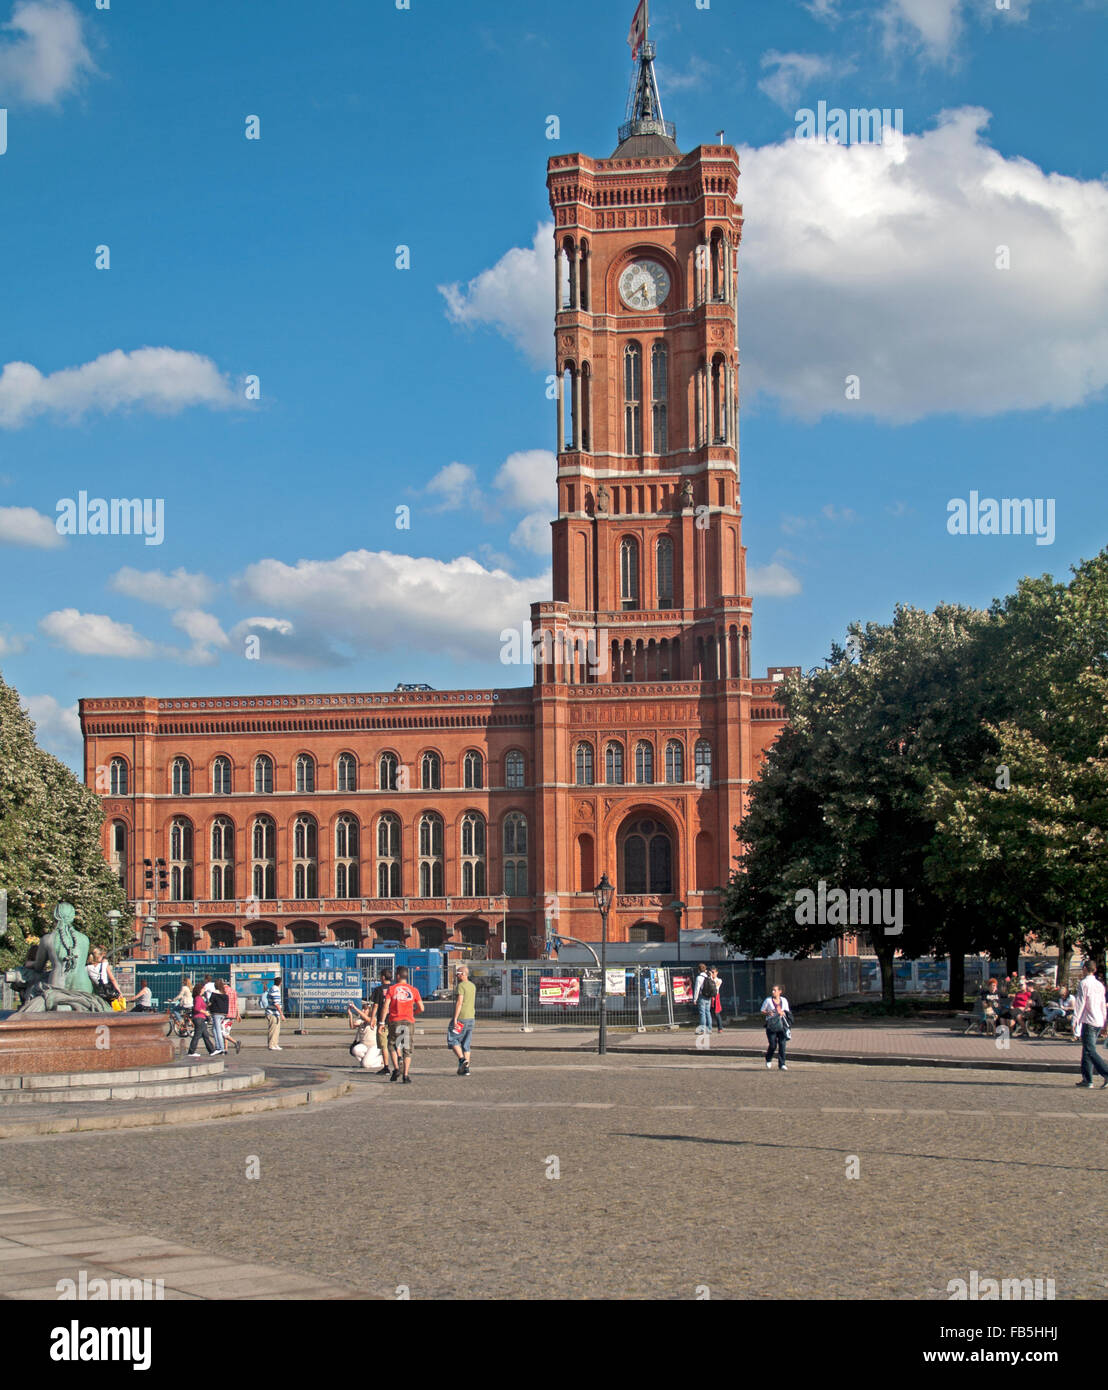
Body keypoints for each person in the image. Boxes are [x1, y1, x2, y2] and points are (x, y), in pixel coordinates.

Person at [382, 966, 424, 1083]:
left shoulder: (392, 989)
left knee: (392, 1044)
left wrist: (381, 1021)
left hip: (395, 1020)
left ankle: (396, 1067)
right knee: (407, 1048)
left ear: (398, 976)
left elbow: (386, 1006)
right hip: (408, 1021)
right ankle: (406, 1075)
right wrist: (413, 1013)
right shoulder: (414, 990)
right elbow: (421, 1007)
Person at [1072, 959, 1108, 1089]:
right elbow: (1102, 1004)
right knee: (1087, 1050)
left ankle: (1106, 1072)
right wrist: (1105, 1022)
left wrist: (1075, 1020)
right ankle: (1087, 1079)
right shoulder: (1100, 985)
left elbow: (1080, 1003)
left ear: (1086, 969)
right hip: (1098, 1020)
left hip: (1089, 1020)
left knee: (1089, 1049)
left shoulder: (1084, 983)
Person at [448, 964, 476, 1076]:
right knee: (466, 1044)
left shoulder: (461, 986)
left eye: (458, 974)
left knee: (452, 1039)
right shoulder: (472, 986)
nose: (456, 976)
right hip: (471, 1017)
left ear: (464, 974)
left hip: (461, 1018)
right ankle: (466, 1069)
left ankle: (461, 1059)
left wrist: (455, 1018)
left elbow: (460, 1002)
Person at [367, 969, 393, 1075]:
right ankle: (399, 1063)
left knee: (384, 1046)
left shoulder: (378, 990)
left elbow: (376, 1005)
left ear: (382, 977)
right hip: (394, 1019)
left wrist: (372, 1018)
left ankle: (386, 1067)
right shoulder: (394, 988)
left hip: (383, 1021)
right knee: (395, 1044)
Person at [761, 984, 792, 1071]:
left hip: (782, 1025)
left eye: (775, 990)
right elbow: (762, 1010)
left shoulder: (784, 1000)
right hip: (771, 1025)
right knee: (773, 1044)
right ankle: (768, 1058)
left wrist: (783, 1012)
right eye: (772, 990)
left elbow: (787, 1012)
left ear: (779, 992)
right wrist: (767, 1013)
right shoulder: (768, 1000)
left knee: (782, 1044)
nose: (773, 992)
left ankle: (782, 1064)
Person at [184, 982, 216, 1057]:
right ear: (200, 989)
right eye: (203, 988)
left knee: (205, 1035)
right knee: (197, 1035)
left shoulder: (200, 997)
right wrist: (205, 1012)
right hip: (199, 1018)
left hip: (200, 1018)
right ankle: (191, 1052)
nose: (204, 990)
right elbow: (197, 1008)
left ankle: (211, 1050)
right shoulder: (198, 998)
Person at [692, 963, 715, 1034]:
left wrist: (695, 999)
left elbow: (697, 989)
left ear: (699, 970)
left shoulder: (699, 978)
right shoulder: (709, 976)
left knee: (702, 1013)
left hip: (702, 996)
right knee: (708, 1012)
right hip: (709, 997)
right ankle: (709, 1029)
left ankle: (702, 1029)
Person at [262, 975, 284, 1051]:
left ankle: (275, 1044)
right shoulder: (275, 989)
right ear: (280, 983)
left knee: (276, 1029)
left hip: (275, 1012)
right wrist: (282, 1014)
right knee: (273, 1029)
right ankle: (271, 1045)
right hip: (272, 1012)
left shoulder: (273, 988)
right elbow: (276, 1003)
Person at [209, 979, 230, 1054]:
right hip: (223, 1013)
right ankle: (217, 1046)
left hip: (216, 1013)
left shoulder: (214, 994)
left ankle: (221, 1048)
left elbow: (210, 1003)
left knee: (217, 1030)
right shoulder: (225, 995)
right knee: (214, 1029)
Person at [222, 975, 241, 1054]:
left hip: (225, 1014)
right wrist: (238, 1014)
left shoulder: (223, 991)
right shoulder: (233, 991)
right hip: (232, 1014)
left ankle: (236, 1042)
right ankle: (225, 1048)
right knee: (227, 1031)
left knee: (222, 1032)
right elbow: (236, 1003)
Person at [708, 966, 724, 1032]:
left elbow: (714, 987)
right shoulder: (708, 979)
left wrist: (711, 977)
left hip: (715, 997)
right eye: (711, 972)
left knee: (716, 1013)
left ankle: (720, 1028)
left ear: (717, 973)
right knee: (708, 1013)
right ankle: (708, 1028)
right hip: (709, 997)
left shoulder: (719, 980)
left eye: (713, 972)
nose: (712, 973)